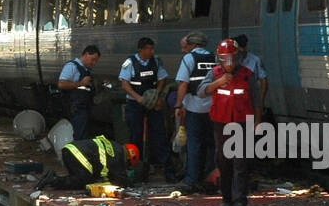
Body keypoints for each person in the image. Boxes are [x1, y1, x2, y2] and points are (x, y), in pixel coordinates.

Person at [198, 37, 256, 206]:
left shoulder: (247, 74)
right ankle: (226, 199)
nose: (228, 63)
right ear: (219, 59)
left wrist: (257, 122)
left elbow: (257, 100)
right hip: (220, 124)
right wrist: (221, 81)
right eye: (224, 60)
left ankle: (240, 202)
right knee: (224, 161)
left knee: (240, 162)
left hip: (242, 123)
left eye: (231, 59)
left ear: (237, 57)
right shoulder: (214, 74)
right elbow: (201, 91)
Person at [118, 37, 168, 178]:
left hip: (151, 104)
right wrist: (138, 98)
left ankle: (164, 166)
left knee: (158, 133)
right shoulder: (130, 63)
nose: (152, 51)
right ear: (141, 49)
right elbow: (125, 84)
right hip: (135, 104)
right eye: (149, 49)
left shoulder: (156, 61)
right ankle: (136, 168)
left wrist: (156, 94)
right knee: (136, 135)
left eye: (153, 49)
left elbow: (162, 79)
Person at [173, 31, 216, 195]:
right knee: (212, 144)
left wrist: (178, 105)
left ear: (192, 45)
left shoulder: (189, 58)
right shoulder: (214, 58)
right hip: (213, 108)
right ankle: (210, 178)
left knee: (194, 144)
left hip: (195, 108)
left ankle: (192, 179)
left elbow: (183, 84)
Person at [47, 134, 141, 190]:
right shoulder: (118, 155)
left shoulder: (114, 146)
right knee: (82, 180)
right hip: (78, 154)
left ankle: (54, 179)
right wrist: (131, 184)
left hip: (70, 150)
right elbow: (120, 177)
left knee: (77, 180)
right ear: (128, 159)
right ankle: (53, 180)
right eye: (127, 165)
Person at [57, 44, 100, 141]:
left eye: (96, 61)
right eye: (93, 59)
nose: (94, 63)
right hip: (76, 109)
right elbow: (61, 84)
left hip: (85, 108)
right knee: (79, 137)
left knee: (84, 136)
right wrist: (81, 83)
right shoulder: (71, 66)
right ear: (86, 54)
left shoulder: (86, 70)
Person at [234, 34, 268, 110]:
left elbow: (263, 81)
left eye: (240, 48)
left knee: (250, 119)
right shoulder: (232, 60)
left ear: (245, 48)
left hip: (249, 97)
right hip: (234, 99)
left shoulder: (255, 60)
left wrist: (261, 100)